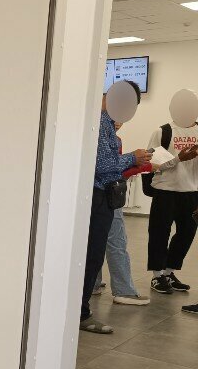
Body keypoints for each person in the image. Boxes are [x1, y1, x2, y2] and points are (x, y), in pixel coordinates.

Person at [81, 82, 151, 334]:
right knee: (92, 254)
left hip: (101, 196)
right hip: (98, 196)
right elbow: (102, 165)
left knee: (94, 253)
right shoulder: (101, 121)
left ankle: (80, 308)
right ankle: (81, 312)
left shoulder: (104, 122)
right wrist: (133, 157)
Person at [92, 121, 151, 305]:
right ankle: (124, 290)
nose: (118, 122)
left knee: (95, 239)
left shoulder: (109, 136)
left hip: (100, 193)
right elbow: (106, 167)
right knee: (116, 241)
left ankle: (92, 283)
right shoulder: (108, 136)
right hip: (107, 193)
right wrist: (134, 159)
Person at [146, 116, 198, 294]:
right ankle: (157, 275)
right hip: (165, 191)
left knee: (187, 233)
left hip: (192, 191)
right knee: (159, 232)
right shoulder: (163, 132)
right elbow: (151, 164)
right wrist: (178, 159)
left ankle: (168, 273)